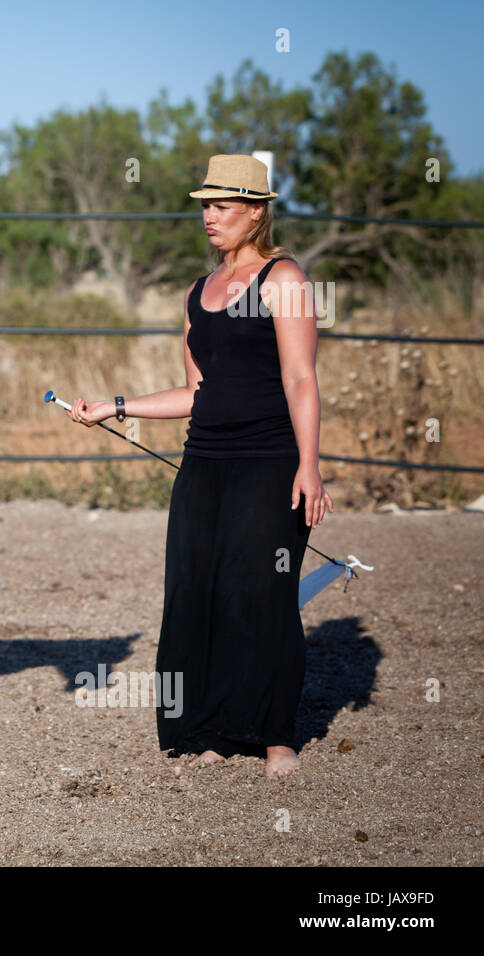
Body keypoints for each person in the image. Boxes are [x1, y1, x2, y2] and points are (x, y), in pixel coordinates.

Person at [67, 154, 333, 778]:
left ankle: (274, 736)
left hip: (269, 462)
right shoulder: (198, 291)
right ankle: (210, 726)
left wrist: (310, 466)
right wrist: (116, 406)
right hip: (203, 463)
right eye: (205, 207)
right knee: (197, 592)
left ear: (256, 212)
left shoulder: (285, 279)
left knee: (262, 594)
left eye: (222, 207)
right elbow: (196, 393)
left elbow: (300, 379)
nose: (209, 218)